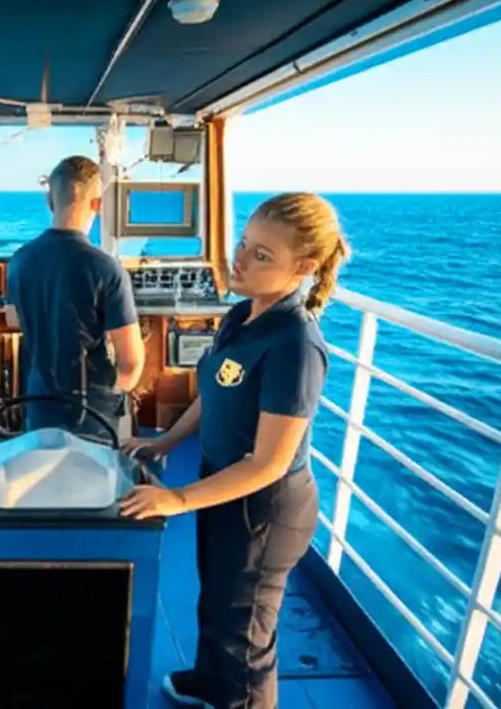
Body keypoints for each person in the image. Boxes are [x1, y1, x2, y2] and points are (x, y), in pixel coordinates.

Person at [118, 192, 350, 709]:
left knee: (244, 631)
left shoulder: (295, 345)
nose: (239, 259)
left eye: (261, 255)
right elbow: (215, 390)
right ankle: (210, 681)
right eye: (244, 244)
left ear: (305, 268)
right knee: (217, 602)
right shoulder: (242, 315)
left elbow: (268, 463)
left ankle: (238, 696)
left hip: (263, 509)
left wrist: (177, 500)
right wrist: (168, 440)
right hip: (220, 485)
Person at [4, 155, 145, 441]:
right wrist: (114, 393)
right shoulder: (106, 268)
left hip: (39, 399)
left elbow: (13, 318)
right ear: (98, 204)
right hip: (92, 410)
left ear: (49, 201)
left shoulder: (20, 260)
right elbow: (130, 361)